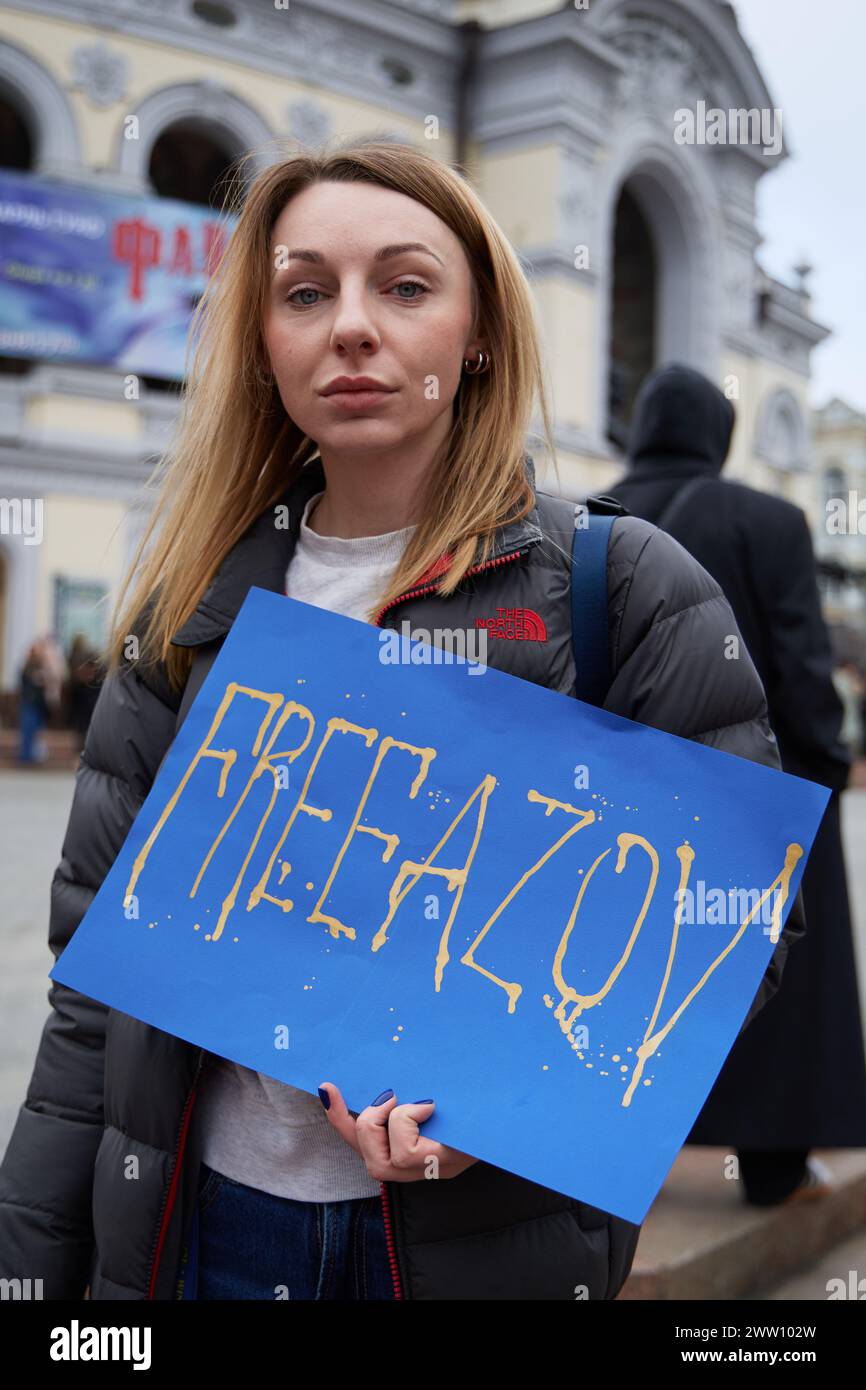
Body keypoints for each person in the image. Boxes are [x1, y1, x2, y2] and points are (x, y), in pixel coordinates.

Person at [0, 142, 805, 1301]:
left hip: (473, 1254)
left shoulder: (621, 585)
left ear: (478, 333)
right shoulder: (190, 612)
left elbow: (736, 921)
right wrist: (32, 1279)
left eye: (405, 284)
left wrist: (513, 1106)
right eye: (303, 292)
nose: (349, 326)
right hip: (201, 1235)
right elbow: (94, 996)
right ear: (261, 341)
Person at [609, 362, 866, 1206]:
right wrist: (826, 763)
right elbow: (800, 665)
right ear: (716, 437)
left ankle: (622, 1148)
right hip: (757, 789)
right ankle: (771, 1162)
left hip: (622, 795)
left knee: (626, 968)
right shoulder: (769, 520)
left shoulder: (586, 515)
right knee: (768, 971)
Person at [17, 635, 65, 764]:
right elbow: (27, 682)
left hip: (38, 703)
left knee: (36, 731)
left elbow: (55, 677)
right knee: (28, 729)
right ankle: (26, 756)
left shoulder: (42, 664)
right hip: (30, 702)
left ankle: (33, 755)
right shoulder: (29, 666)